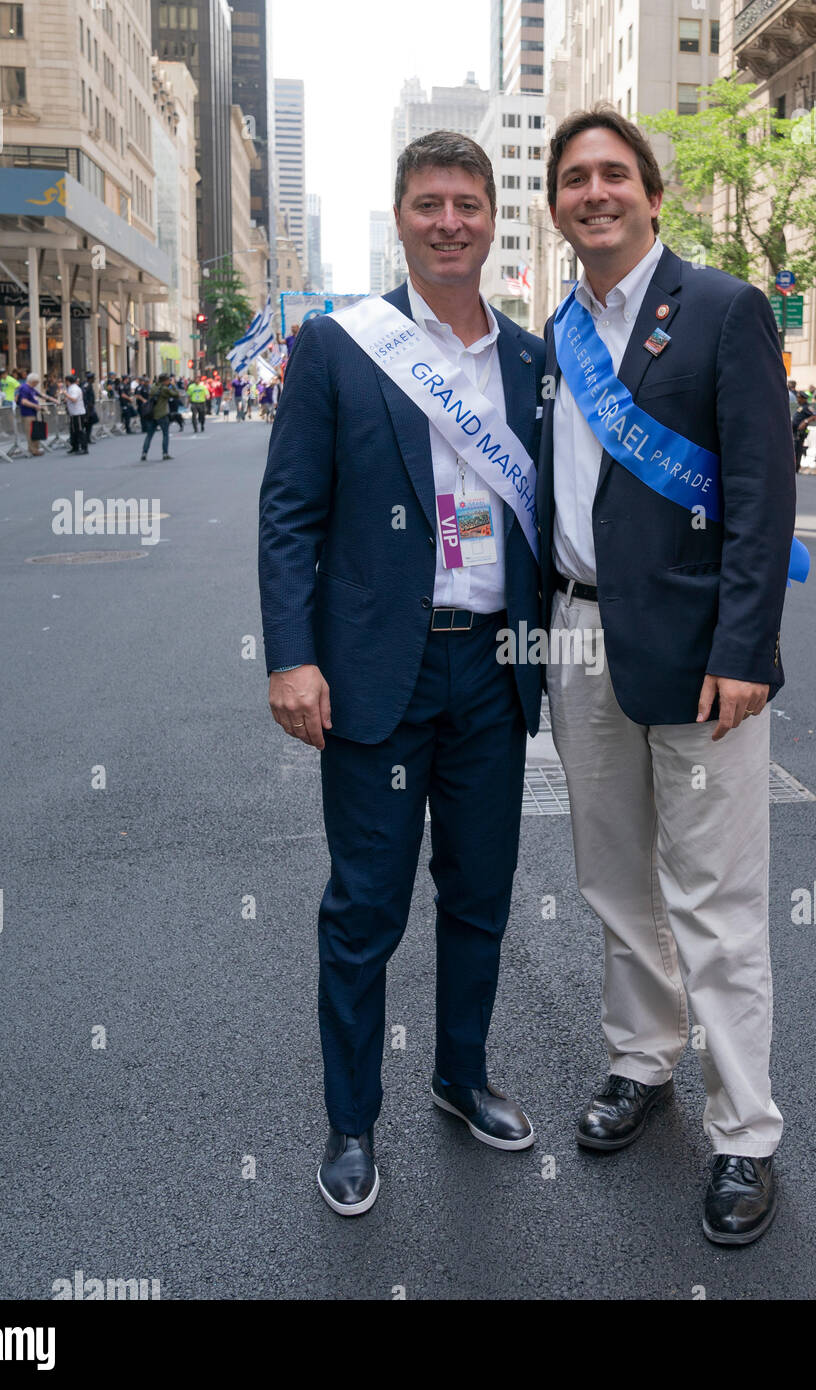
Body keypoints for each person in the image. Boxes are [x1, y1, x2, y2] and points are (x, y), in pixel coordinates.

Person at [259, 130, 545, 1219]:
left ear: (490, 217)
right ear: (400, 215)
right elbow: (289, 511)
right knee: (364, 907)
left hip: (493, 669)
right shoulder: (340, 347)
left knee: (479, 894)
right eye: (429, 203)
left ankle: (460, 1076)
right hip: (379, 668)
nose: (449, 221)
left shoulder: (527, 359)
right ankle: (350, 1124)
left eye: (467, 203)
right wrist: (291, 653)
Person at [541, 107, 795, 1246]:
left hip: (698, 660)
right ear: (555, 204)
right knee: (611, 881)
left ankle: (744, 1133)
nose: (593, 191)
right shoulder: (554, 333)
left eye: (612, 174)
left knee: (716, 905)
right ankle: (641, 1062)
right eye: (573, 178)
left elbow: (760, 491)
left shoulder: (724, 309)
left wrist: (744, 649)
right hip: (578, 638)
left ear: (652, 193)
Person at [139, 374, 173, 460]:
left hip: (152, 414)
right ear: (165, 381)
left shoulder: (153, 387)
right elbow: (175, 394)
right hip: (161, 414)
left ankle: (144, 453)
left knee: (149, 435)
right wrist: (172, 385)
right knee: (165, 434)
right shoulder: (164, 389)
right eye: (168, 380)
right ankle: (165, 453)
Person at [16, 372, 46, 456]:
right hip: (27, 413)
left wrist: (53, 400)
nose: (36, 385)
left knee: (34, 431)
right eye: (36, 383)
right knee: (30, 432)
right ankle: (33, 450)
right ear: (33, 381)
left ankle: (36, 448)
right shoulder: (25, 388)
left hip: (33, 413)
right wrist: (36, 406)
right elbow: (23, 401)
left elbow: (41, 395)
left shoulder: (31, 388)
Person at [59, 372, 88, 454]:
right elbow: (70, 399)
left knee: (79, 430)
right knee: (73, 431)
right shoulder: (71, 388)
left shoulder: (74, 389)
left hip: (78, 413)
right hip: (73, 413)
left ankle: (84, 447)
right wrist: (65, 400)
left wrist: (65, 394)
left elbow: (74, 399)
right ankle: (75, 447)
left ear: (68, 381)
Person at [792, 390, 816, 472]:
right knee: (794, 449)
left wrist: (805, 422)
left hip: (800, 432)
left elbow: (814, 416)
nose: (797, 399)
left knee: (798, 449)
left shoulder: (807, 407)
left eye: (799, 398)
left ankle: (796, 467)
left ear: (804, 399)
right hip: (794, 431)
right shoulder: (801, 407)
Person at [82, 372, 98, 448]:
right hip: (88, 408)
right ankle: (86, 438)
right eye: (93, 378)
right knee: (87, 423)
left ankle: (88, 438)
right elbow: (84, 395)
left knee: (90, 424)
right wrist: (88, 404)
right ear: (90, 379)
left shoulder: (89, 385)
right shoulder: (87, 385)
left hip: (89, 407)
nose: (94, 380)